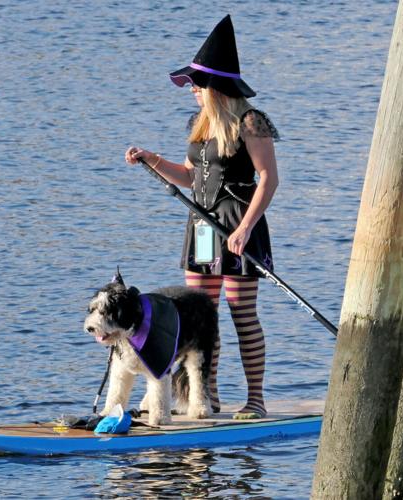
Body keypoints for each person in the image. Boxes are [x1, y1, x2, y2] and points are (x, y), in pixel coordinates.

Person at [125, 15, 278, 420]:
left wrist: (246, 229)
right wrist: (151, 160)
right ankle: (204, 397)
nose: (192, 90)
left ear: (215, 87)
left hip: (239, 226)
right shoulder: (201, 123)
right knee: (198, 316)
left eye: (196, 84)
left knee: (242, 314)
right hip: (203, 226)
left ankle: (255, 400)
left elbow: (268, 179)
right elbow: (192, 176)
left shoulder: (251, 122)